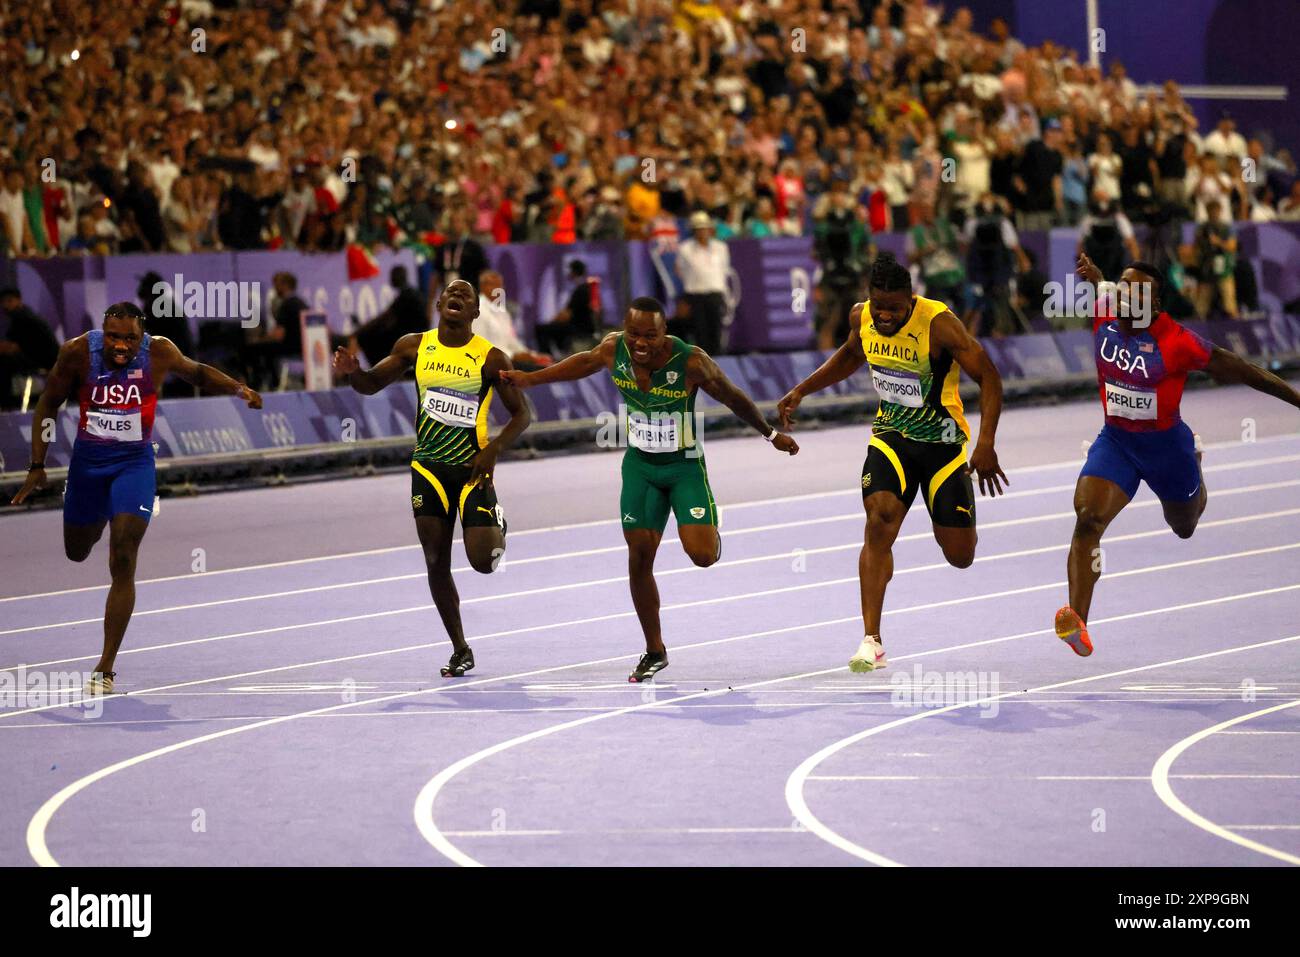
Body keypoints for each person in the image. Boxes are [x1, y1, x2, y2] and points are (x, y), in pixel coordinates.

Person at [500, 297, 799, 682]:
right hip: (641, 467)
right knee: (639, 556)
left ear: (665, 332)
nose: (640, 343)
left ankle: (711, 535)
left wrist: (771, 434)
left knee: (703, 556)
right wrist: (529, 379)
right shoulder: (613, 349)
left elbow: (732, 397)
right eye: (634, 334)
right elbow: (582, 363)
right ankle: (654, 650)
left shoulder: (692, 362)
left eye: (650, 336)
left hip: (684, 466)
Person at [9, 302, 262, 694]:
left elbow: (195, 372)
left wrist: (238, 388)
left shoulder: (158, 350)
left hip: (134, 464)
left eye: (130, 338)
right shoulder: (77, 352)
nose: (122, 345)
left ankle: (105, 666)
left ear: (141, 337)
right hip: (89, 467)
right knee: (77, 550)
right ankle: (93, 513)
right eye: (114, 337)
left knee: (124, 553)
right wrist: (37, 464)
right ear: (102, 333)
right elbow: (48, 403)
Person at [1056, 254, 1300, 656]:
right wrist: (1099, 277)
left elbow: (1246, 371)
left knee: (1184, 526)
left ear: (1154, 306)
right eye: (1122, 284)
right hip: (1116, 443)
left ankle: (1197, 467)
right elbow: (1102, 288)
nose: (1124, 293)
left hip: (1168, 450)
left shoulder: (1178, 341)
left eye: (1136, 290)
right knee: (1088, 518)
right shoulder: (1105, 311)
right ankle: (1078, 623)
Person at [777, 252, 1008, 673]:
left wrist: (986, 444)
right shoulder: (861, 316)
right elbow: (851, 355)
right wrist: (802, 390)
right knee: (879, 519)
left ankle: (953, 516)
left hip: (942, 444)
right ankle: (872, 640)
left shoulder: (939, 324)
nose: (884, 316)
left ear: (911, 300)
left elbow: (990, 377)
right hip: (891, 438)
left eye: (894, 309)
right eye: (878, 306)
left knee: (960, 555)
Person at [332, 279, 531, 678]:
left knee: (486, 562)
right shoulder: (414, 346)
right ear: (438, 303)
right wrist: (354, 374)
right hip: (428, 469)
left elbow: (522, 415)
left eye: (467, 297)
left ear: (476, 313)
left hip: (472, 469)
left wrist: (493, 449)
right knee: (436, 559)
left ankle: (497, 522)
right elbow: (371, 384)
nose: (457, 298)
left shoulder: (491, 358)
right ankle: (460, 648)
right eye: (451, 294)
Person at [674, 211, 731, 355]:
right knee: (700, 331)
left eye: (704, 228)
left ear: (710, 229)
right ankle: (703, 363)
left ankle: (718, 362)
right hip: (696, 295)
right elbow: (679, 270)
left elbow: (724, 269)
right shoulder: (685, 249)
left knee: (716, 330)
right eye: (698, 229)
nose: (702, 232)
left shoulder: (721, 248)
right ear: (693, 231)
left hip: (715, 293)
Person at [351, 265, 430, 366]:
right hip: (413, 334)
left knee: (366, 337)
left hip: (411, 337)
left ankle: (378, 370)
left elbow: (384, 318)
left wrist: (360, 331)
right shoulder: (410, 293)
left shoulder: (406, 296)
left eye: (393, 276)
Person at [474, 271, 553, 371]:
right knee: (541, 371)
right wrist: (512, 356)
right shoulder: (478, 311)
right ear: (483, 287)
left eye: (500, 286)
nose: (498, 290)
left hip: (507, 360)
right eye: (494, 285)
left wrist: (533, 356)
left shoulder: (503, 312)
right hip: (490, 365)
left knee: (550, 365)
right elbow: (480, 348)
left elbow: (512, 341)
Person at [0, 287, 60, 409]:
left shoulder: (23, 318)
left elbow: (11, 348)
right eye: (3, 302)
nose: (6, 305)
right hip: (41, 359)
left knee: (3, 362)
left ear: (18, 300)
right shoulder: (22, 315)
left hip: (45, 361)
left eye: (9, 301)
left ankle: (5, 406)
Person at [534, 259, 598, 357]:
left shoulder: (580, 290)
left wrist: (552, 321)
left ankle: (546, 359)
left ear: (573, 272)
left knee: (541, 329)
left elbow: (566, 315)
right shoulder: (586, 288)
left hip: (579, 328)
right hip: (584, 327)